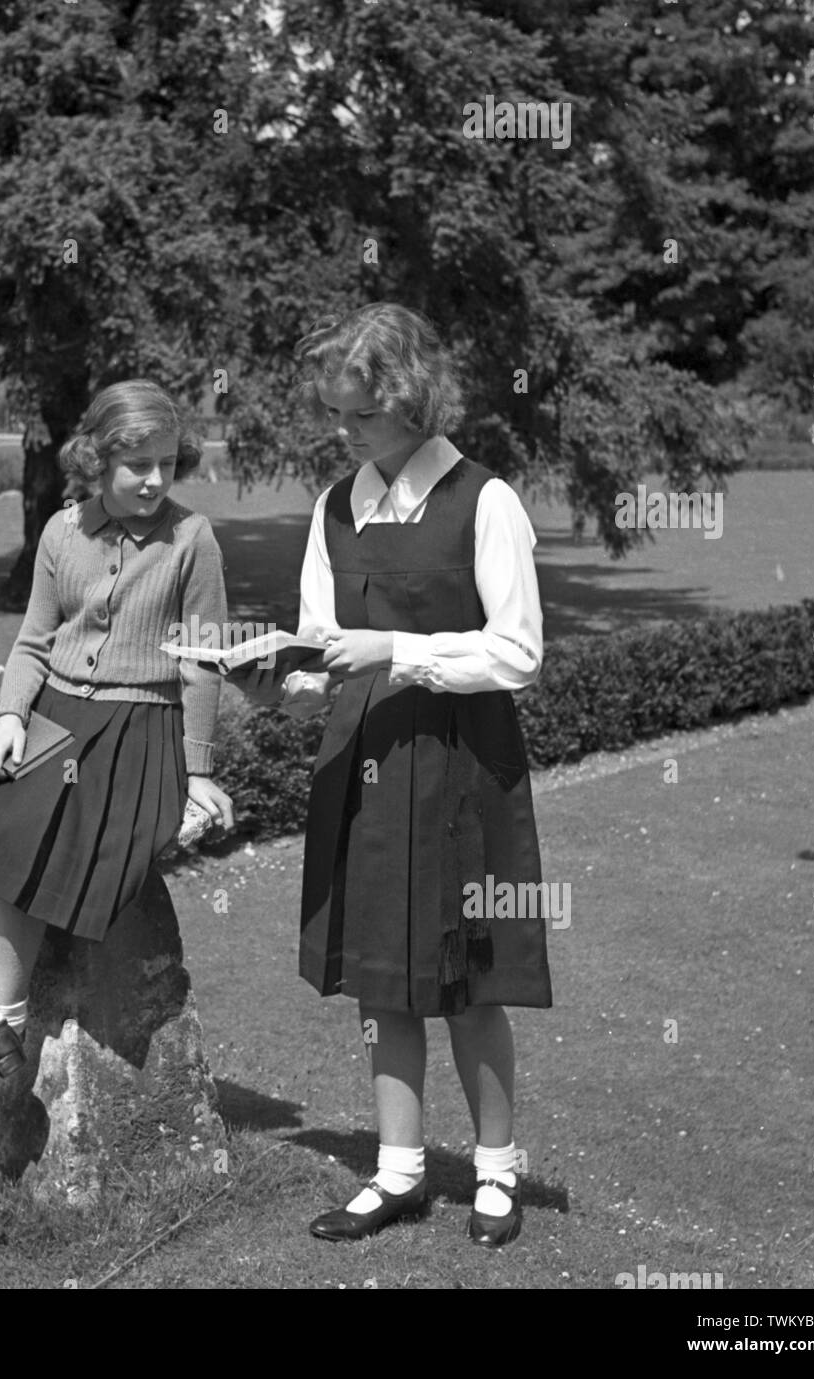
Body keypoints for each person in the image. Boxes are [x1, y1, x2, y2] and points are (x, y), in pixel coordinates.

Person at [231, 303, 552, 1246]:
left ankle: (497, 1171)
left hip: (461, 765)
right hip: (363, 764)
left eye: (360, 414)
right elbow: (326, 652)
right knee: (381, 977)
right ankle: (399, 1169)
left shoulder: (485, 501)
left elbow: (520, 653)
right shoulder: (336, 506)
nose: (346, 431)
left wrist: (398, 650)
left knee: (471, 975)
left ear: (411, 402)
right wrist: (274, 684)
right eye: (338, 413)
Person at [0, 379, 235, 1133]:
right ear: (98, 460)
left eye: (165, 463)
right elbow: (31, 641)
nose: (154, 479)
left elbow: (203, 663)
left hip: (135, 728)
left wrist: (201, 773)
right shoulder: (61, 533)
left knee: (30, 831)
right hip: (52, 717)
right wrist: (7, 718)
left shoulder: (193, 540)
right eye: (135, 465)